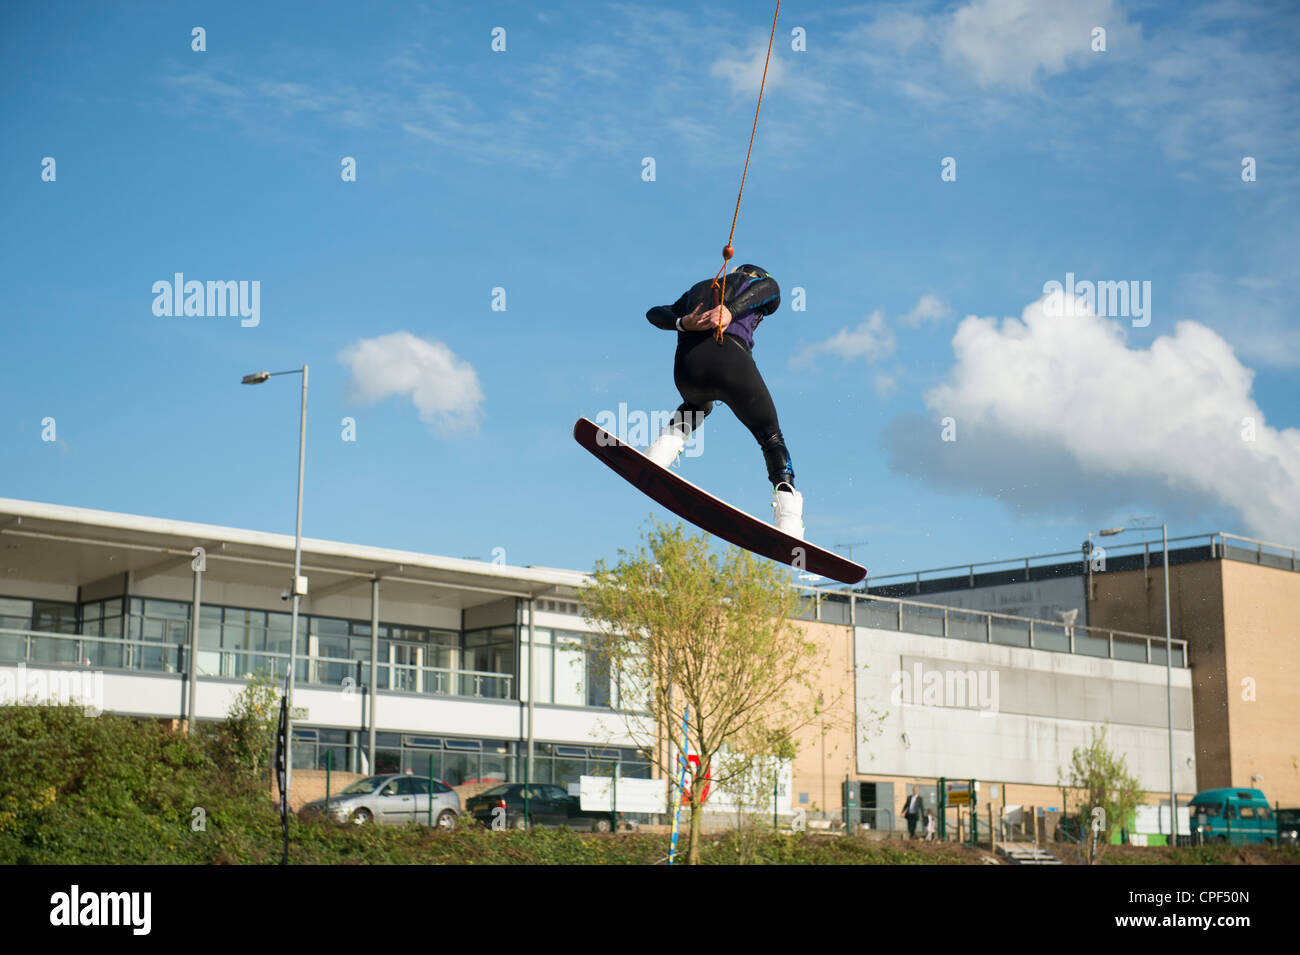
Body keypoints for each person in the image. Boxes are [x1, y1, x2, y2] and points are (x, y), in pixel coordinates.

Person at [642, 264, 801, 537]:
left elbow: (655, 313)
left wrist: (682, 323)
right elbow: (772, 288)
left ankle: (658, 454)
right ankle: (789, 519)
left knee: (694, 408)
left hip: (688, 370)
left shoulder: (696, 290)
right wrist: (731, 311)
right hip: (731, 363)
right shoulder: (754, 284)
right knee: (771, 438)